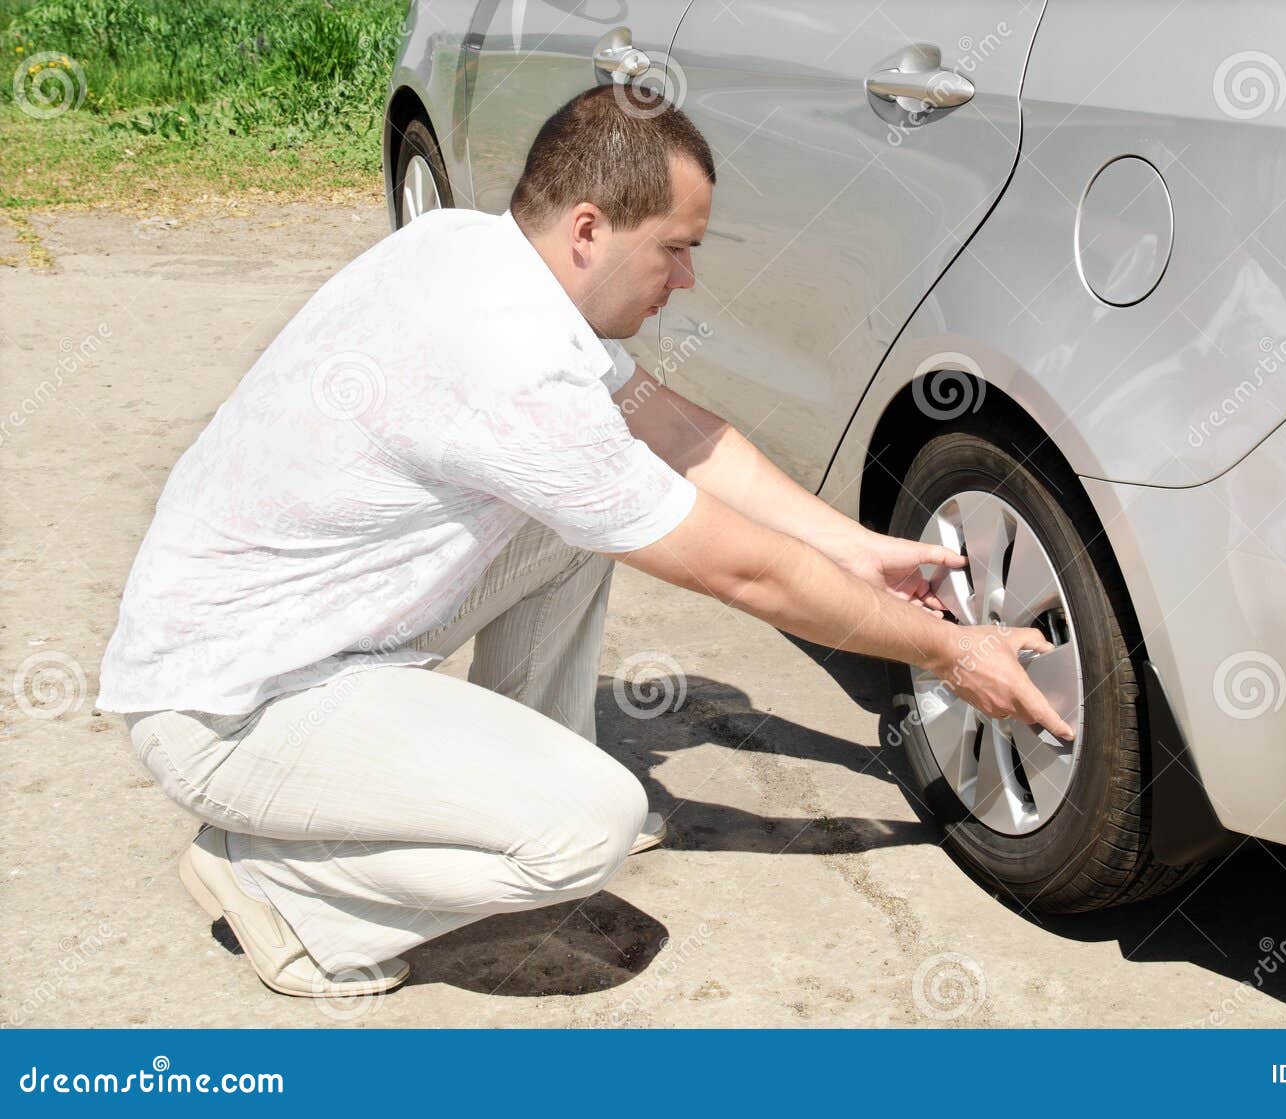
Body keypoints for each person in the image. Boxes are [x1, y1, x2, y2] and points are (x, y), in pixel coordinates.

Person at [95, 85, 1072, 999]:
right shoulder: (510, 368)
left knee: (568, 533)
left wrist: (854, 547)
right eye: (675, 250)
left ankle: (526, 774)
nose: (686, 280)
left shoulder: (468, 250)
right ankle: (284, 891)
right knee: (583, 835)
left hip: (293, 637)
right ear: (589, 230)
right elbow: (739, 570)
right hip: (231, 706)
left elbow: (671, 429)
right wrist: (951, 649)